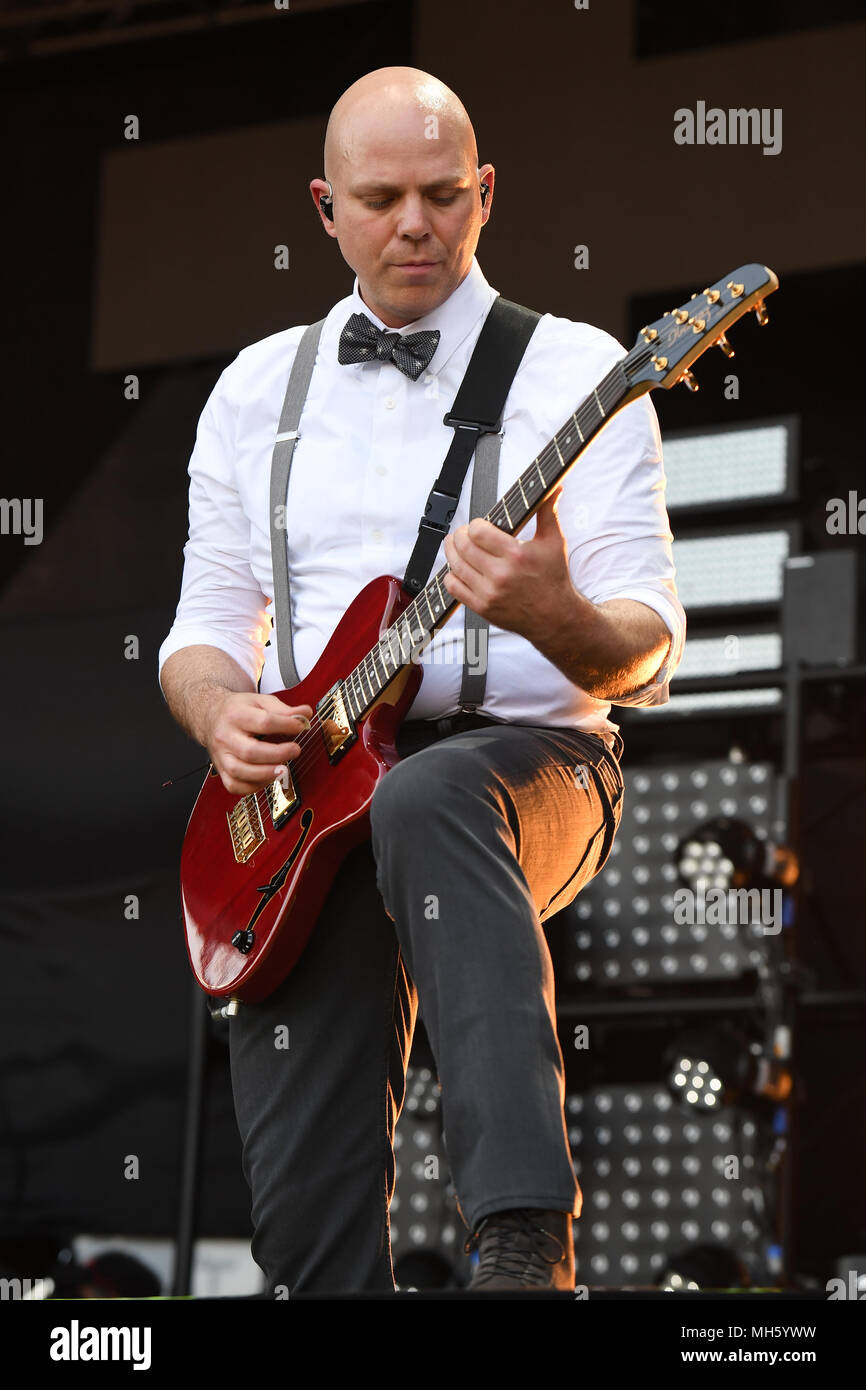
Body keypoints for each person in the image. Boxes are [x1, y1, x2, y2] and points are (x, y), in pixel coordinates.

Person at [158, 65, 686, 1295]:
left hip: (533, 768)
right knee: (303, 1234)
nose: (414, 222)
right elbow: (199, 631)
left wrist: (555, 615)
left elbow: (647, 651)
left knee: (430, 797)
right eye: (381, 196)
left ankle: (520, 1243)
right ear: (323, 209)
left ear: (486, 194)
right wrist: (218, 707)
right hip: (314, 794)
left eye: (444, 195)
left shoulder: (580, 371)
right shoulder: (251, 392)